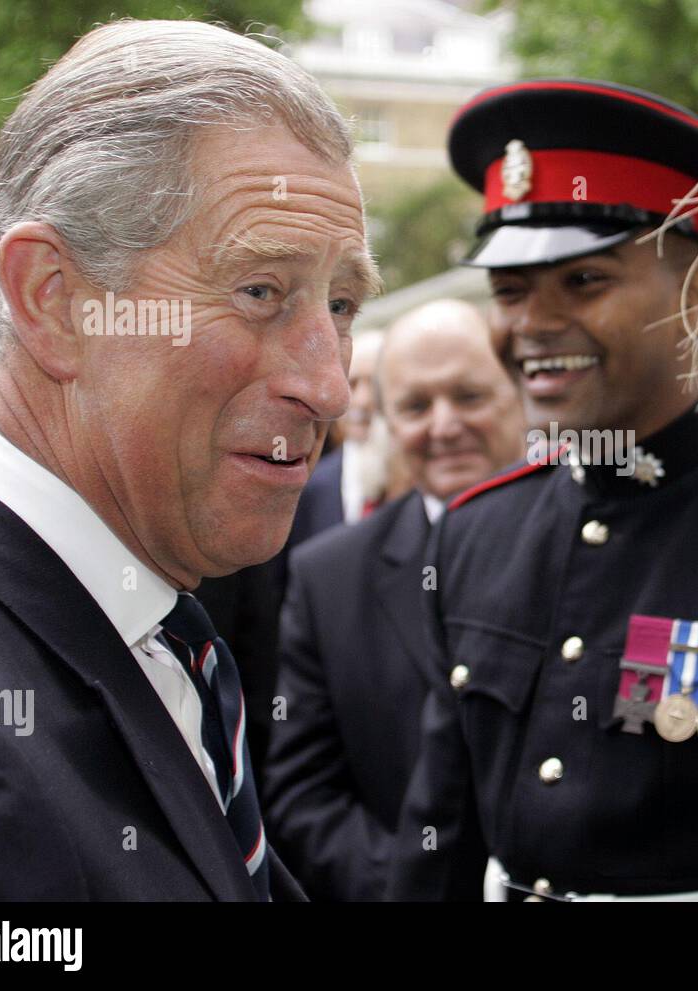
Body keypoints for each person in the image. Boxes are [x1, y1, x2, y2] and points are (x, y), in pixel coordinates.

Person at [387, 80, 698, 902]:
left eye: (584, 281)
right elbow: (438, 835)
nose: (534, 322)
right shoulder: (477, 530)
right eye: (510, 291)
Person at [0, 19, 377, 900]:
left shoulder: (155, 628)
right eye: (260, 290)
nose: (330, 385)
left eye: (341, 304)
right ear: (53, 300)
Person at [264, 299, 525, 900]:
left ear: (517, 393)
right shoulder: (329, 578)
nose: (444, 426)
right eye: (415, 407)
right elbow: (304, 795)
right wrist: (421, 884)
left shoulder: (590, 541)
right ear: (384, 420)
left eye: (469, 397)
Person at [288, 329, 391, 547]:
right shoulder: (304, 488)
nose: (363, 401)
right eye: (352, 384)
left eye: (374, 385)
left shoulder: (422, 476)